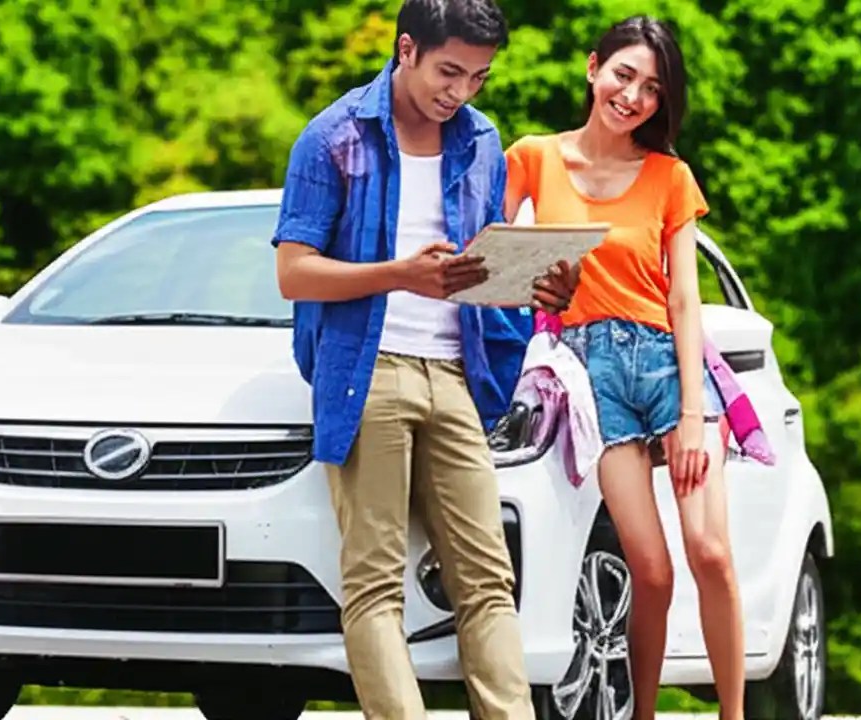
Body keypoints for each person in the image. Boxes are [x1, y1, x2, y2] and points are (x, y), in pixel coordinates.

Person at [272, 1, 576, 718]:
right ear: (406, 50)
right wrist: (397, 274)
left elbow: (479, 267)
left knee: (488, 580)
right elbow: (294, 273)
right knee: (375, 585)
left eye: (478, 77)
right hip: (367, 373)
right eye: (449, 71)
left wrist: (542, 285)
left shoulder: (481, 140)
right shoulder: (333, 137)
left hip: (456, 375)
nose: (461, 91)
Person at [503, 15, 746, 720]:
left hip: (669, 367)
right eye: (623, 75)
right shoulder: (533, 158)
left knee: (709, 549)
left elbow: (683, 295)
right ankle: (641, 714)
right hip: (590, 374)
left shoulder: (671, 176)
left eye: (652, 87)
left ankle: (733, 714)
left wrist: (696, 416)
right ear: (592, 69)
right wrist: (531, 290)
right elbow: (487, 257)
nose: (633, 95)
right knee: (651, 568)